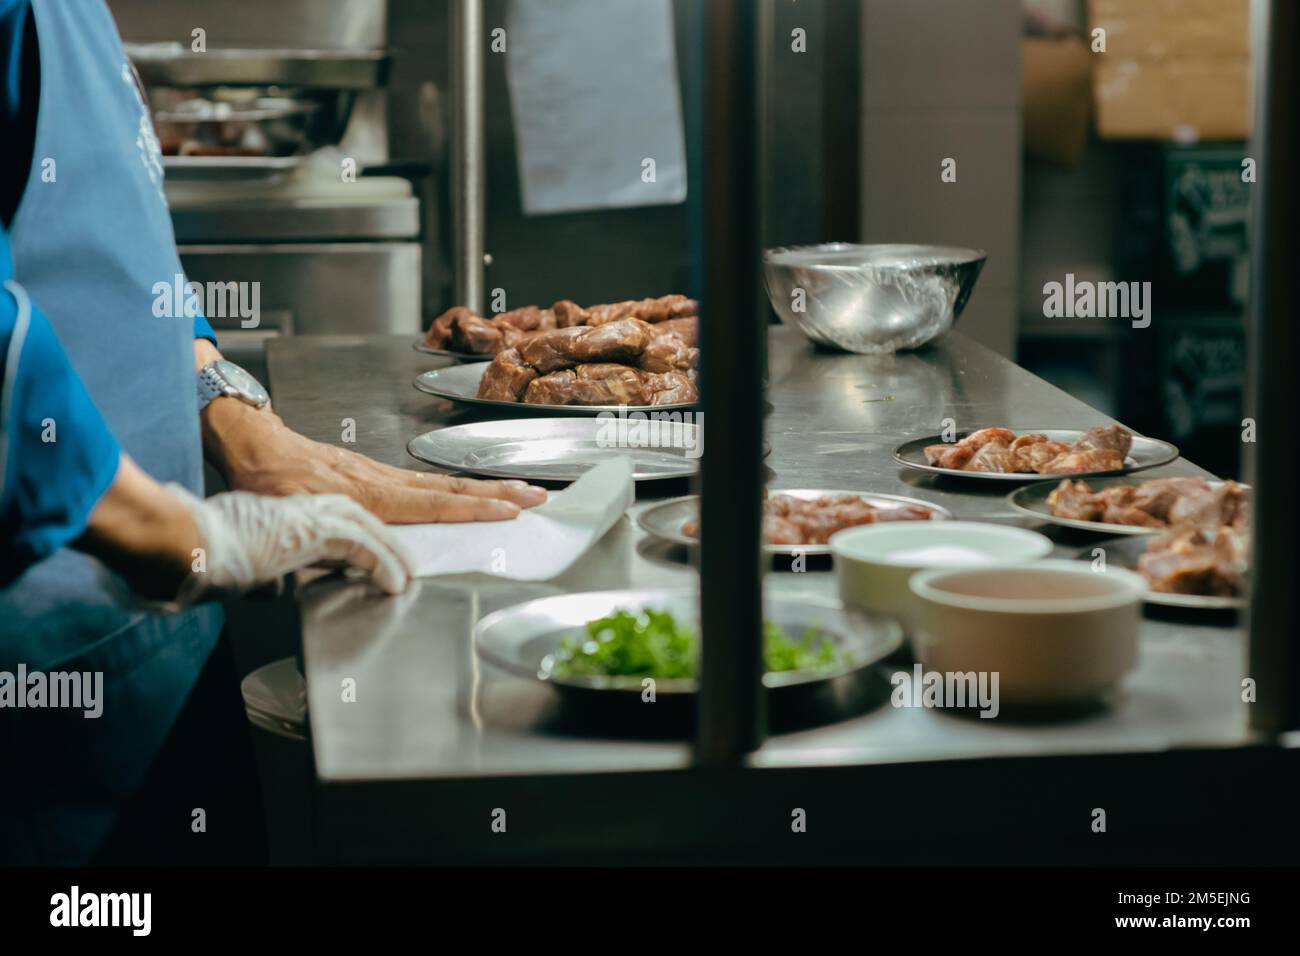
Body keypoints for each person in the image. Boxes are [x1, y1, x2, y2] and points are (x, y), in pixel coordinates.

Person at [0, 0, 546, 864]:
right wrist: (168, 531)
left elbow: (95, 242)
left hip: (163, 640)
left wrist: (226, 409)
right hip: (42, 672)